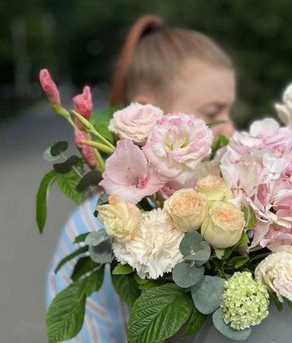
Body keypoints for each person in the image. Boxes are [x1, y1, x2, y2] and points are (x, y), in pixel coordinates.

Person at [47, 15, 237, 342]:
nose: (230, 128)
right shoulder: (95, 225)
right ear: (150, 114)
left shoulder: (232, 205)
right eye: (212, 113)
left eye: (230, 112)